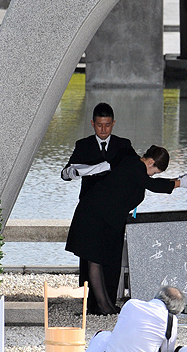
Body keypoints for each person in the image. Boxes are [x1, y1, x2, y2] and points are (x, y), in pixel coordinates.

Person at [65, 145, 187, 314]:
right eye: (155, 172)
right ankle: (102, 306)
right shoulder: (134, 166)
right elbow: (153, 185)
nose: (153, 175)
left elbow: (151, 182)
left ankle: (105, 304)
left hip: (100, 216)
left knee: (98, 260)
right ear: (151, 162)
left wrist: (176, 180)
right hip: (93, 216)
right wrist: (180, 183)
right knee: (94, 260)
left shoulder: (134, 166)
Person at [61, 102, 135, 313]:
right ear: (92, 123)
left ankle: (108, 302)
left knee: (112, 255)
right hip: (90, 212)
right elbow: (66, 173)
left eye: (108, 125)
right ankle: (90, 304)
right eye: (100, 125)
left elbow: (136, 171)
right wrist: (72, 172)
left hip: (114, 212)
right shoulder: (83, 145)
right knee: (89, 257)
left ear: (113, 123)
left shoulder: (123, 145)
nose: (103, 129)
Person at [85, 286, 186, 352]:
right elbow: (167, 350)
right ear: (175, 309)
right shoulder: (170, 320)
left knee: (103, 335)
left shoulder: (131, 303)